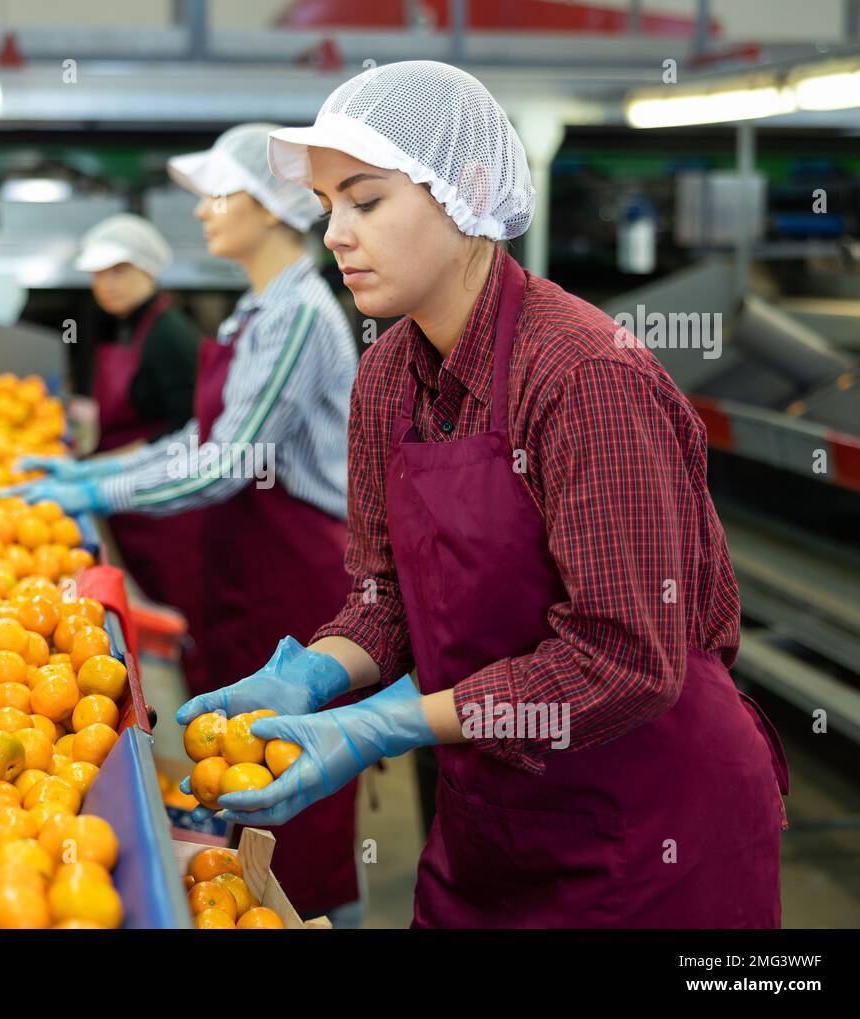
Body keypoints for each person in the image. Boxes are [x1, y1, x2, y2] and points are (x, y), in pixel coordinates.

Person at [179, 61, 789, 929]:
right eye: (327, 210)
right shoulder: (388, 374)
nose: (336, 237)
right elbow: (383, 593)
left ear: (464, 189)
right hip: (495, 814)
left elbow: (622, 659)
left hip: (650, 821)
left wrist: (385, 725)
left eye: (367, 201)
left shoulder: (583, 376)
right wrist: (319, 673)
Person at [6, 124, 364, 925]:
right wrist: (92, 474)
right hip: (253, 562)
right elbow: (195, 441)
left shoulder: (299, 315)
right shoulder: (256, 312)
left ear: (272, 208)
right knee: (245, 763)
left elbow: (225, 462)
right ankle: (249, 892)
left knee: (293, 780)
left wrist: (98, 491)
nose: (202, 212)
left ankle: (320, 913)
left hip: (299, 573)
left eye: (218, 196)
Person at [22, 214, 207, 691]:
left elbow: (186, 430)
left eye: (119, 271)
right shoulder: (122, 326)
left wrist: (100, 469)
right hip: (132, 499)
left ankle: (198, 683)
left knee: (191, 614)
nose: (107, 284)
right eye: (99, 274)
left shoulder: (169, 336)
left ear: (148, 269)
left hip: (168, 506)